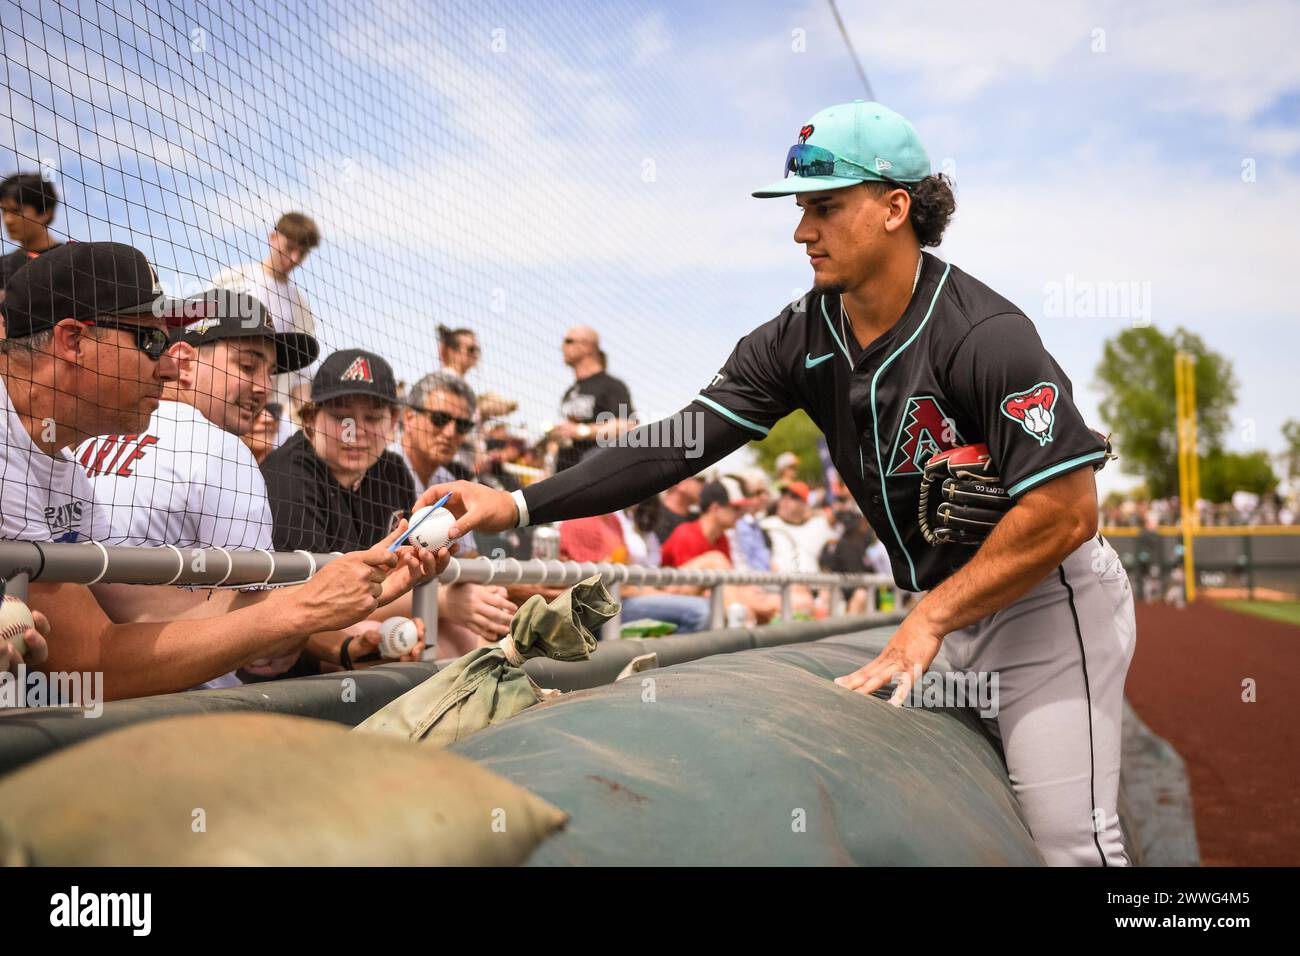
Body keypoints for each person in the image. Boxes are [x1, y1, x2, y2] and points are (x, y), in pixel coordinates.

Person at [419, 100, 1134, 866]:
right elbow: (678, 444)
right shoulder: (799, 335)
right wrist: (520, 501)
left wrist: (930, 622)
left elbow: (1066, 512)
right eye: (801, 209)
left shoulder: (984, 334)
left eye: (825, 206)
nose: (802, 231)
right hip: (947, 611)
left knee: (1073, 847)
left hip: (1044, 606)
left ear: (896, 208)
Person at [0, 242, 443, 698]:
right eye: (151, 341)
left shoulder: (65, 469)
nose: (171, 363)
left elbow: (139, 609)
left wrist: (338, 606)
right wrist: (300, 610)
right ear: (73, 340)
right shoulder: (5, 446)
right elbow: (90, 664)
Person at [210, 212, 321, 446]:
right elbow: (204, 340)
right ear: (273, 237)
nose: (293, 258)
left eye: (302, 253)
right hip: (223, 405)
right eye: (289, 247)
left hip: (271, 414)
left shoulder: (301, 307)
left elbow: (302, 376)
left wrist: (309, 421)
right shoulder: (232, 280)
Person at [552, 325, 635, 471]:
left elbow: (626, 426)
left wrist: (582, 431)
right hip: (565, 474)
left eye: (569, 341)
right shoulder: (570, 391)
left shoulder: (612, 385)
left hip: (594, 474)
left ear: (587, 347)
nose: (562, 346)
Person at [0, 173, 63, 304]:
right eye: (4, 211)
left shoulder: (71, 260)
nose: (7, 220)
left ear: (46, 212)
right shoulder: (2, 266)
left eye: (16, 211)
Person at [660, 480, 739, 568]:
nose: (740, 513)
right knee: (715, 559)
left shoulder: (721, 539)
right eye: (735, 508)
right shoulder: (687, 533)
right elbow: (684, 579)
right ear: (715, 508)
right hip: (658, 579)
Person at [761, 481, 835, 574]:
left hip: (815, 584)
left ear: (804, 504)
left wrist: (813, 512)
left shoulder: (817, 525)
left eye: (793, 497)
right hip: (781, 583)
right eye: (783, 495)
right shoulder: (767, 524)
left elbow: (834, 517)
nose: (785, 500)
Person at [656, 475, 702, 543]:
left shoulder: (699, 519)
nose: (705, 486)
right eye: (700, 480)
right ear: (681, 482)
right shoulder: (654, 517)